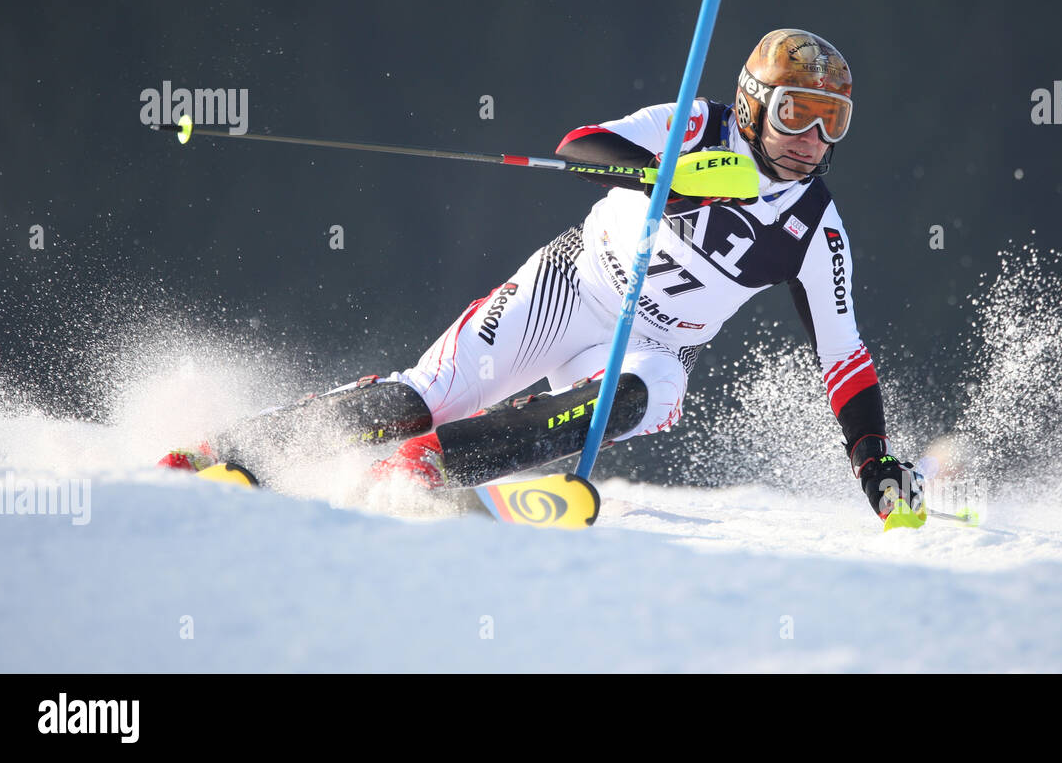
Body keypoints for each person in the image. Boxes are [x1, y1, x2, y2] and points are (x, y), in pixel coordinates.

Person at [159, 29, 923, 521]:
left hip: (651, 346)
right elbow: (584, 146)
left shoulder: (817, 229)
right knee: (420, 397)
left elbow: (844, 358)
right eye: (797, 114)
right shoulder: (702, 125)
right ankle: (225, 453)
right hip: (571, 286)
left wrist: (875, 464)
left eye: (834, 122)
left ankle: (428, 468)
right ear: (756, 106)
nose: (813, 140)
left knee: (644, 394)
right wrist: (670, 177)